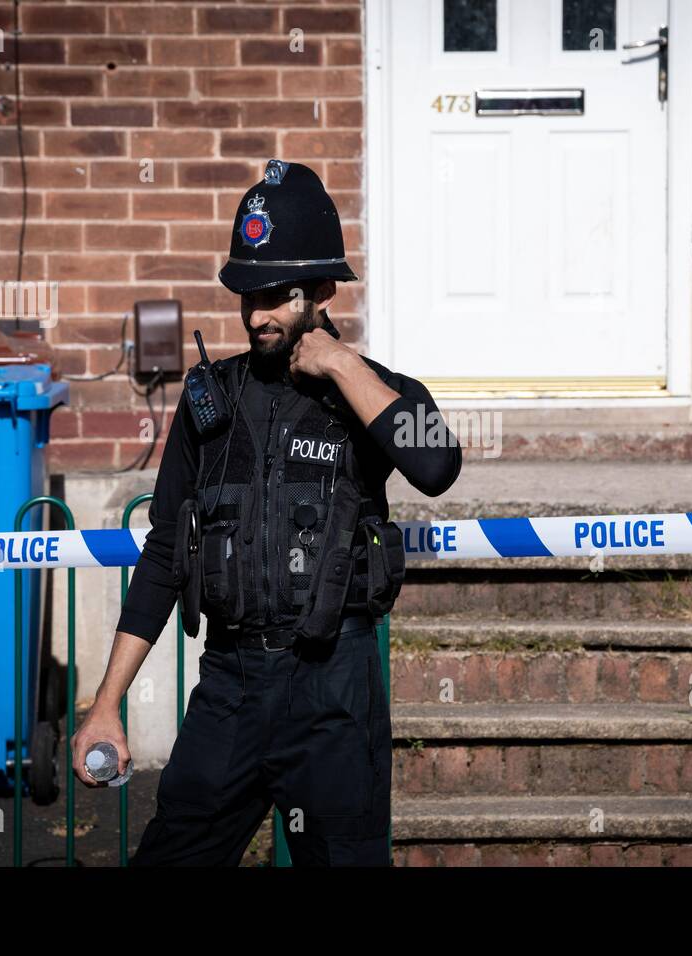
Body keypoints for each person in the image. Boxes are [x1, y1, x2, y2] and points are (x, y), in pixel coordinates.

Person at [70, 159, 461, 866]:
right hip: (231, 683)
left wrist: (342, 366)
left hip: (333, 688)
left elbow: (436, 464)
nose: (256, 316)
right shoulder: (208, 401)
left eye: (275, 296)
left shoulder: (374, 393)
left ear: (322, 290)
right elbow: (164, 554)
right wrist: (106, 704)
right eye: (246, 295)